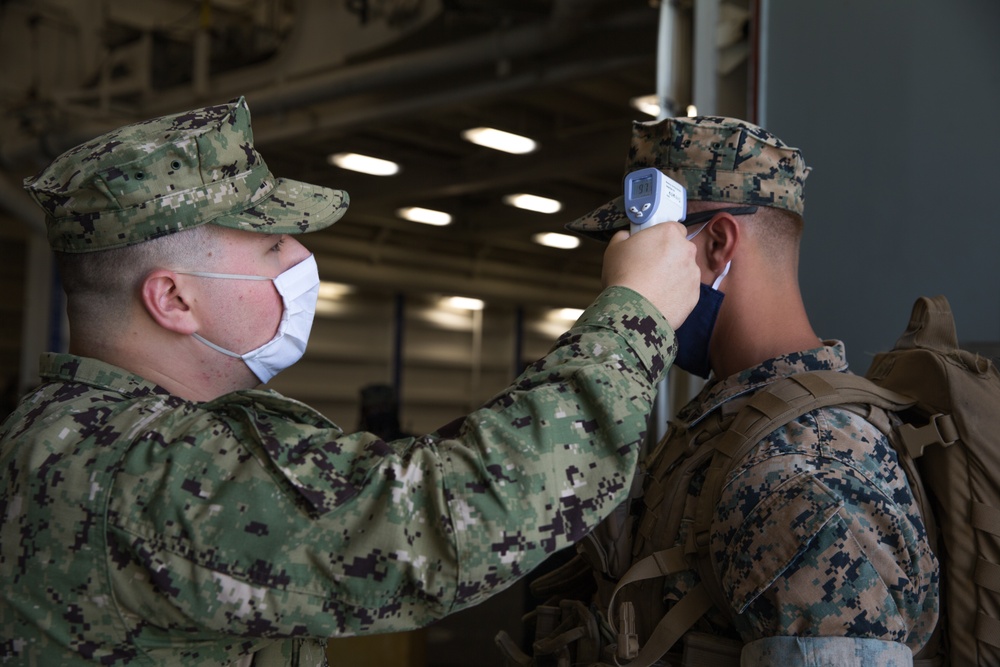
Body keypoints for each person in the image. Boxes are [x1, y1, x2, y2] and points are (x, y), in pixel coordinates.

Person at [0, 97, 700, 666]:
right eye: (272, 244)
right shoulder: (148, 471)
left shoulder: (55, 432)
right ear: (174, 299)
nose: (301, 257)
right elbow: (448, 520)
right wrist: (634, 316)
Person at [559, 116, 940, 665]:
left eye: (643, 243)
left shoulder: (803, 470)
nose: (623, 273)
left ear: (716, 244)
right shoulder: (731, 421)